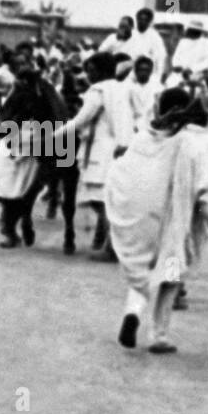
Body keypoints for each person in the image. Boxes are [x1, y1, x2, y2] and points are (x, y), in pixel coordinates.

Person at [106, 88, 208, 352]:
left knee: (142, 272)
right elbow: (206, 194)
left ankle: (133, 313)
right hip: (173, 232)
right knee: (170, 279)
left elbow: (125, 172)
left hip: (145, 224)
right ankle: (158, 335)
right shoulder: (192, 145)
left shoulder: (143, 138)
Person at [0, 44, 65, 249]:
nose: (21, 68)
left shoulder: (45, 89)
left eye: (25, 63)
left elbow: (57, 115)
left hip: (36, 145)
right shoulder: (13, 89)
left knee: (27, 188)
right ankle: (9, 230)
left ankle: (24, 220)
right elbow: (3, 117)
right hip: (12, 144)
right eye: (17, 65)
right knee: (7, 187)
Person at [65, 51, 132, 260]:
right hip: (115, 147)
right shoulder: (121, 88)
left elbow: (80, 121)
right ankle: (109, 244)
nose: (89, 75)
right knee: (104, 199)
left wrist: (49, 135)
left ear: (103, 71)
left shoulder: (97, 91)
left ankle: (111, 248)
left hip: (100, 150)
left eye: (92, 71)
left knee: (101, 200)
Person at [167, 19, 208, 90]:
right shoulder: (183, 42)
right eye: (189, 30)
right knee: (170, 85)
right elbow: (176, 58)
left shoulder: (206, 42)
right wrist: (177, 66)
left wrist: (192, 69)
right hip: (180, 74)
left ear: (198, 32)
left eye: (192, 30)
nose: (188, 32)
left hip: (198, 74)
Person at [126, 8, 167, 81]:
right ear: (137, 19)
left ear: (149, 22)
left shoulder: (155, 36)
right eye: (140, 19)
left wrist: (159, 76)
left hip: (147, 72)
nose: (142, 22)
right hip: (130, 71)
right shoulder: (130, 34)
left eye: (145, 20)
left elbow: (161, 57)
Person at [125, 56, 161, 134]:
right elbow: (127, 110)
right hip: (133, 127)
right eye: (141, 70)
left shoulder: (156, 88)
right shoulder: (130, 89)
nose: (143, 73)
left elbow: (158, 110)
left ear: (150, 71)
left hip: (151, 127)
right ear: (136, 71)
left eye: (146, 70)